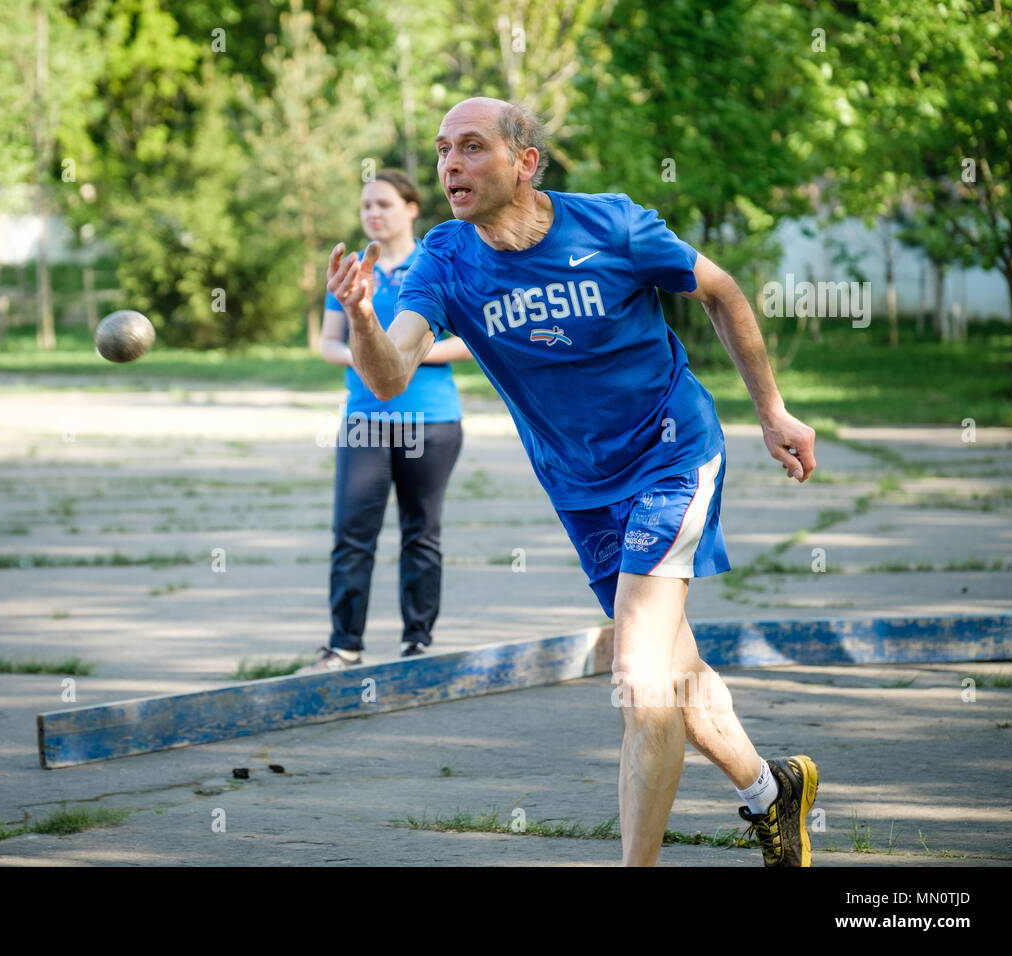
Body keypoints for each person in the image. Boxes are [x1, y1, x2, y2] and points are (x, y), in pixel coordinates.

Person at [327, 98, 820, 867]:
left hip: (671, 455)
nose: (450, 165)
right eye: (441, 150)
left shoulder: (613, 226)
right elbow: (389, 378)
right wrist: (360, 315)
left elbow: (719, 290)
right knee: (674, 670)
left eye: (471, 147)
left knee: (638, 674)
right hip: (580, 487)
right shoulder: (445, 257)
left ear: (525, 162)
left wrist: (772, 411)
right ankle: (770, 793)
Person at [299, 169, 472, 674]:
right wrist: (372, 356)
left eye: (384, 204)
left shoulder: (439, 263)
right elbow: (329, 343)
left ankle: (417, 643)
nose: (373, 213)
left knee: (422, 534)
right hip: (364, 421)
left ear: (412, 208)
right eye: (366, 206)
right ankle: (343, 645)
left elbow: (473, 338)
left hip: (431, 421)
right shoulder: (351, 270)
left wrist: (407, 358)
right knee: (352, 532)